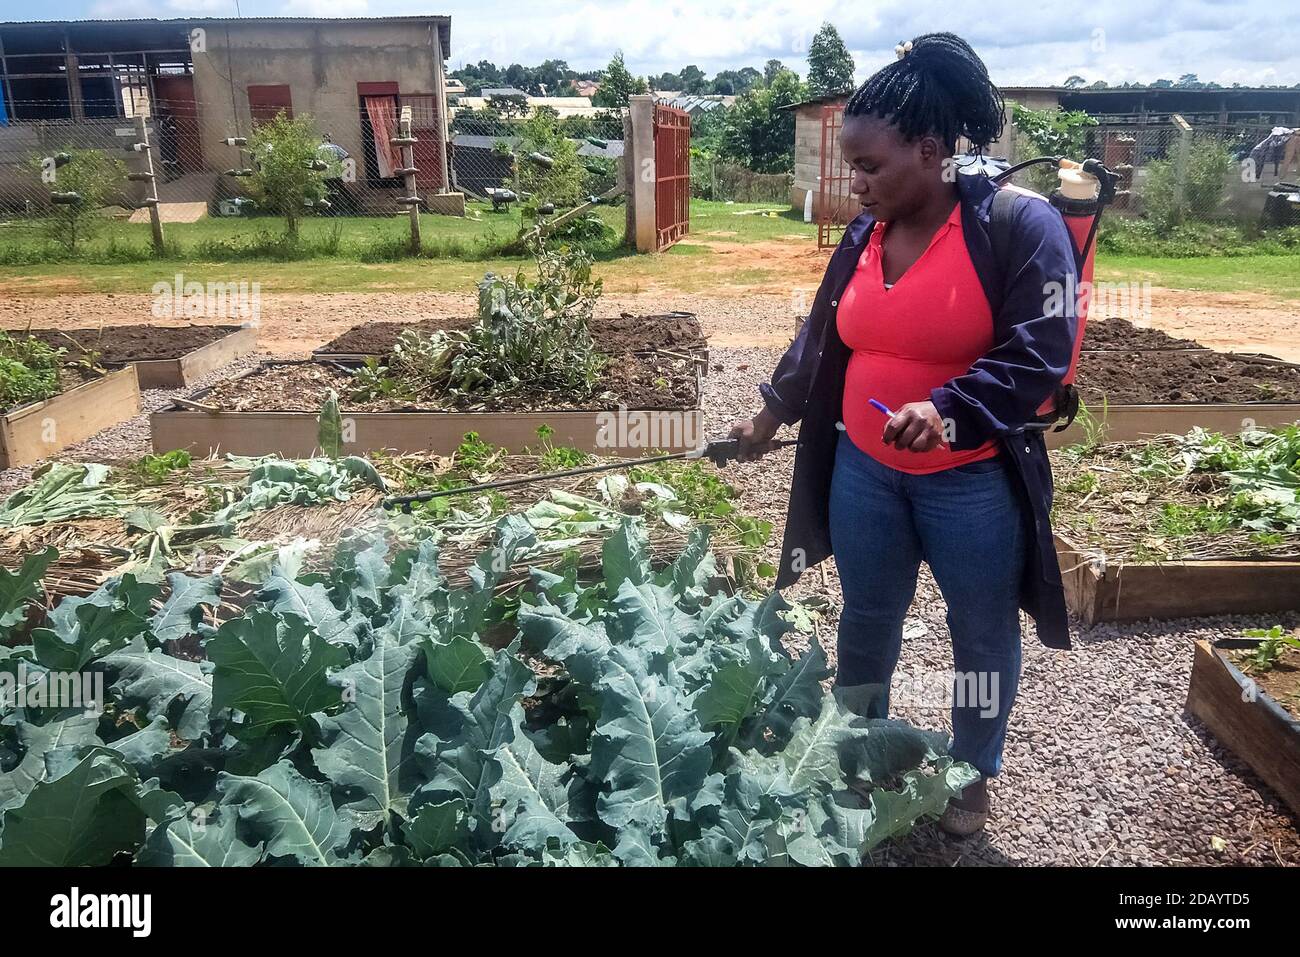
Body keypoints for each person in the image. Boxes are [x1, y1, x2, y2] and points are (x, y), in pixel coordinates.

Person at [729, 32, 1079, 837]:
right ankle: (862, 755)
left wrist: (947, 408)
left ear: (929, 152)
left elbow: (1041, 352)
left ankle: (972, 770)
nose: (856, 184)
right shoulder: (868, 233)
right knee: (866, 617)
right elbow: (822, 337)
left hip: (971, 481)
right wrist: (770, 413)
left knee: (981, 632)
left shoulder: (1018, 227)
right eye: (851, 166)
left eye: (869, 167)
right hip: (864, 470)